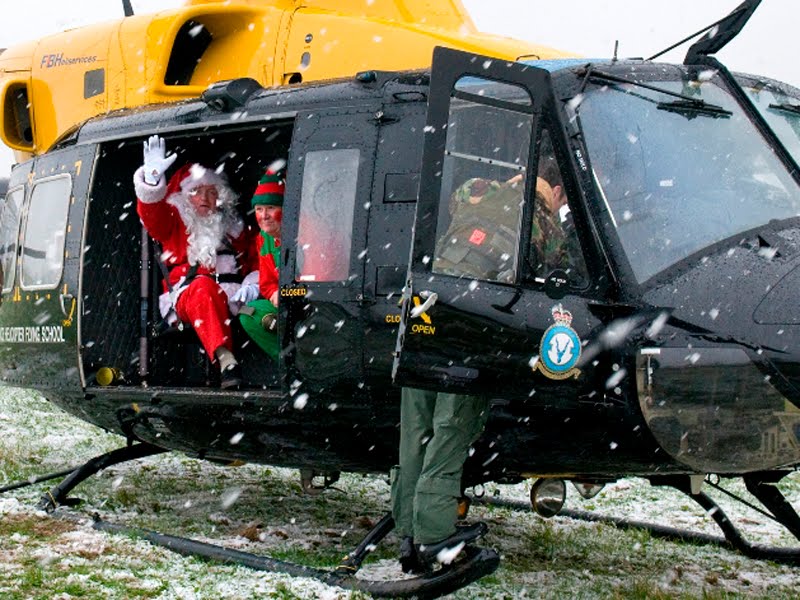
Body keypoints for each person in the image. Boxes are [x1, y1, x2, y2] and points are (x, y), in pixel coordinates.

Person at [133, 135, 254, 389]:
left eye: (211, 192)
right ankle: (226, 360)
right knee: (203, 288)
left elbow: (257, 260)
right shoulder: (174, 223)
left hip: (235, 300)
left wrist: (253, 284)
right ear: (185, 196)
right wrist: (152, 180)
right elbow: (151, 214)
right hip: (187, 299)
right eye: (196, 191)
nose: (204, 198)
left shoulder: (234, 229)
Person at [390, 388, 490, 573]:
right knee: (454, 425)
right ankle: (435, 534)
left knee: (417, 429)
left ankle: (411, 537)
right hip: (458, 363)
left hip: (416, 360)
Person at [433, 172, 524, 283]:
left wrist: (503, 187)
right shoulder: (544, 226)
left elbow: (454, 204)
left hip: (441, 273)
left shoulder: (486, 188)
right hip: (488, 288)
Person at [235, 167, 285, 360]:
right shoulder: (263, 239)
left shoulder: (305, 232)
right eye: (259, 209)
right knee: (248, 312)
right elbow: (266, 283)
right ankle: (289, 362)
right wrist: (274, 295)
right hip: (282, 303)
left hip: (310, 304)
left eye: (271, 208)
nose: (264, 215)